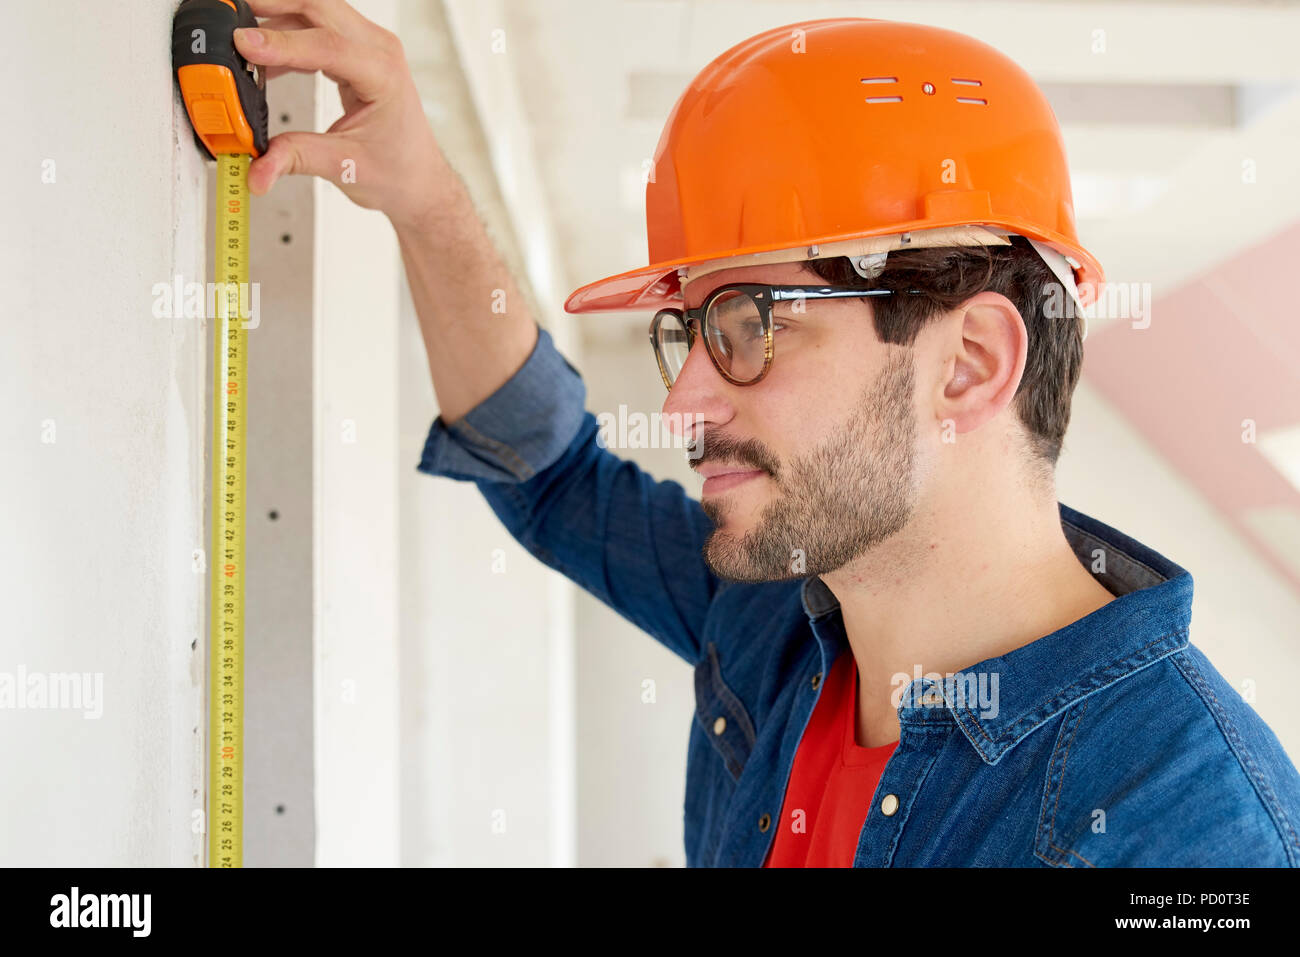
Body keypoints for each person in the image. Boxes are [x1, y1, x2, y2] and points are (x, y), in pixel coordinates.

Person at [233, 1, 1300, 867]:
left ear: (969, 364)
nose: (687, 398)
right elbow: (548, 473)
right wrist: (421, 195)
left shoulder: (1189, 833)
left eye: (749, 323)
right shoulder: (773, 619)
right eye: (687, 330)